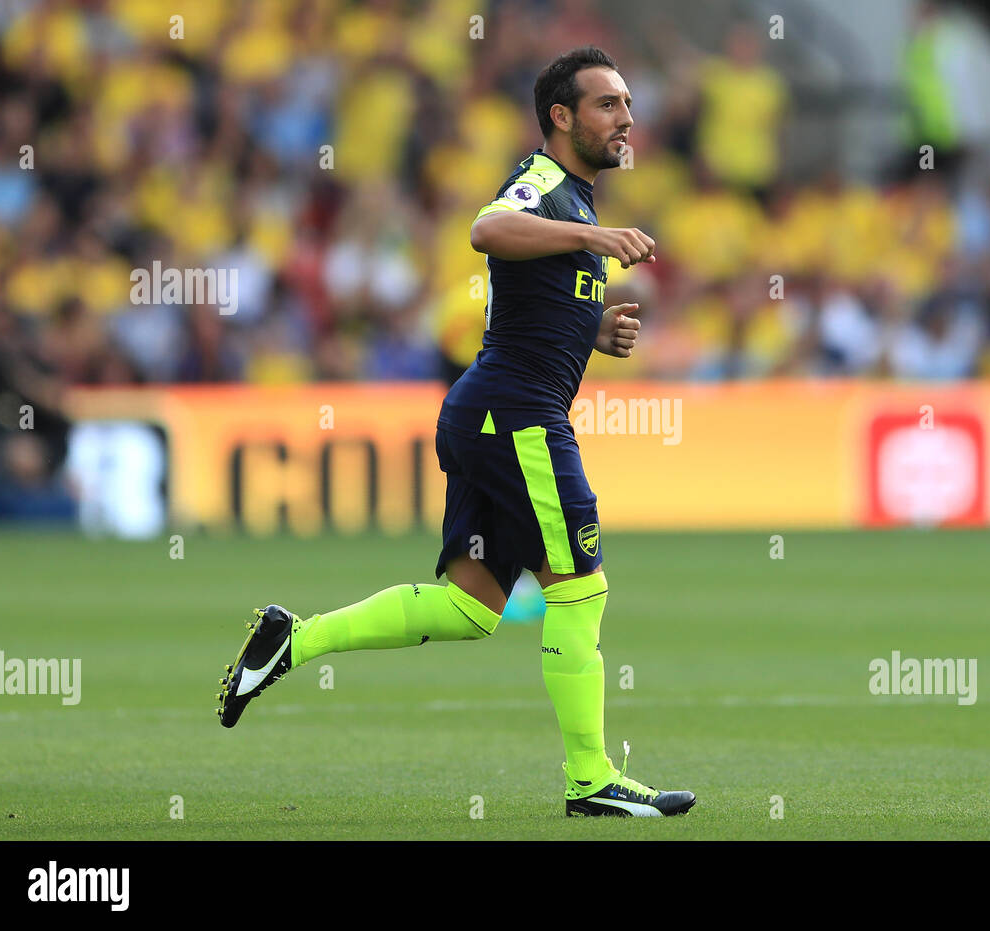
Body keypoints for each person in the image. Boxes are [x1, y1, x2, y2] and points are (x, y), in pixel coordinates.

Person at [215, 46, 695, 818]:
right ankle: (592, 780)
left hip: (488, 411)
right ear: (561, 116)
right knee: (582, 586)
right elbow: (488, 229)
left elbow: (523, 297)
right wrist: (593, 241)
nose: (626, 118)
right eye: (608, 104)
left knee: (471, 606)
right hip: (518, 417)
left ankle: (292, 641)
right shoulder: (546, 183)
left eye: (628, 104)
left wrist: (592, 328)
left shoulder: (575, 200)